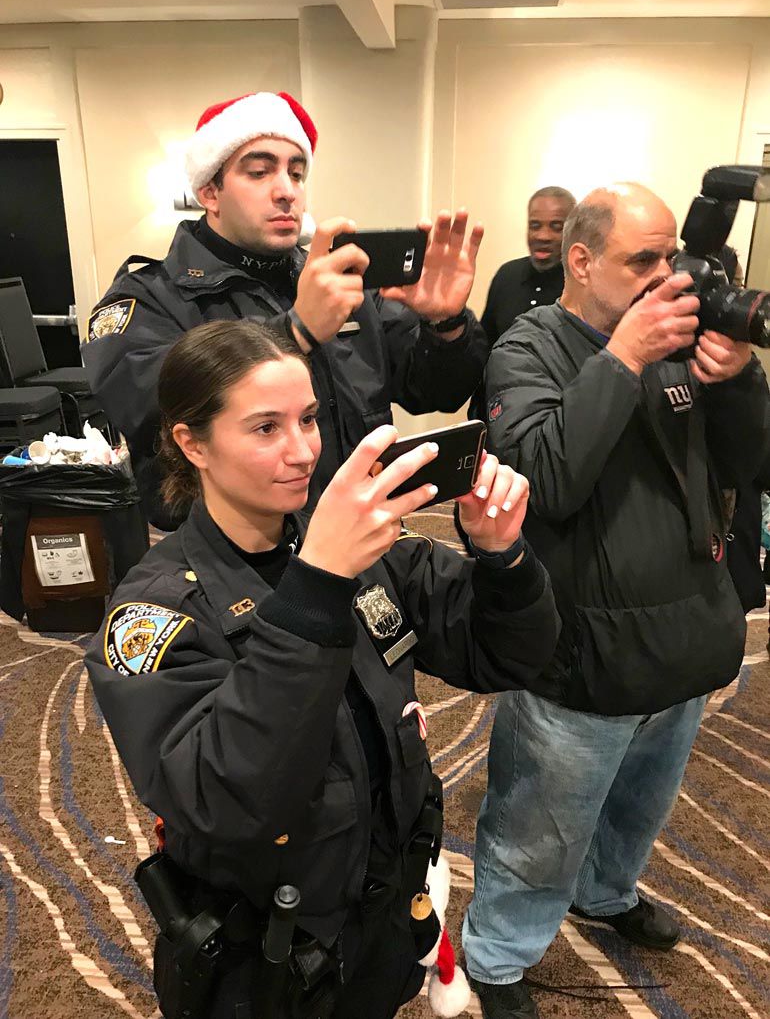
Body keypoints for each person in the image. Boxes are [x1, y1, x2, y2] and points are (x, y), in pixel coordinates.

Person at [84, 317, 560, 1019]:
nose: (305, 449)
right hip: (273, 947)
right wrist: (316, 588)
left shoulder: (364, 553)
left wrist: (503, 556)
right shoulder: (153, 615)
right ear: (193, 443)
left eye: (309, 419)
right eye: (266, 428)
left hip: (386, 899)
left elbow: (509, 652)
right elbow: (224, 799)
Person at [462, 183, 770, 1019]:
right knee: (539, 829)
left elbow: (756, 470)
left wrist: (738, 380)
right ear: (583, 260)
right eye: (644, 260)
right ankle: (495, 957)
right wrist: (625, 357)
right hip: (583, 654)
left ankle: (605, 894)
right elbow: (547, 481)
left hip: (685, 643)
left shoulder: (686, 342)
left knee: (639, 806)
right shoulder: (526, 349)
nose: (666, 275)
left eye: (670, 255)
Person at [82, 91, 489, 530]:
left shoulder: (338, 278)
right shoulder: (149, 297)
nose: (286, 192)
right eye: (259, 172)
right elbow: (145, 408)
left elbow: (435, 392)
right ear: (209, 192)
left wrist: (444, 325)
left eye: (297, 174)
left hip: (362, 535)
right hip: (236, 562)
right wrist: (293, 333)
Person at [479, 186, 576, 350]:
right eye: (535, 225)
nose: (542, 236)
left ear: (573, 231)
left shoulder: (583, 285)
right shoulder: (507, 275)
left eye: (556, 227)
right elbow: (484, 347)